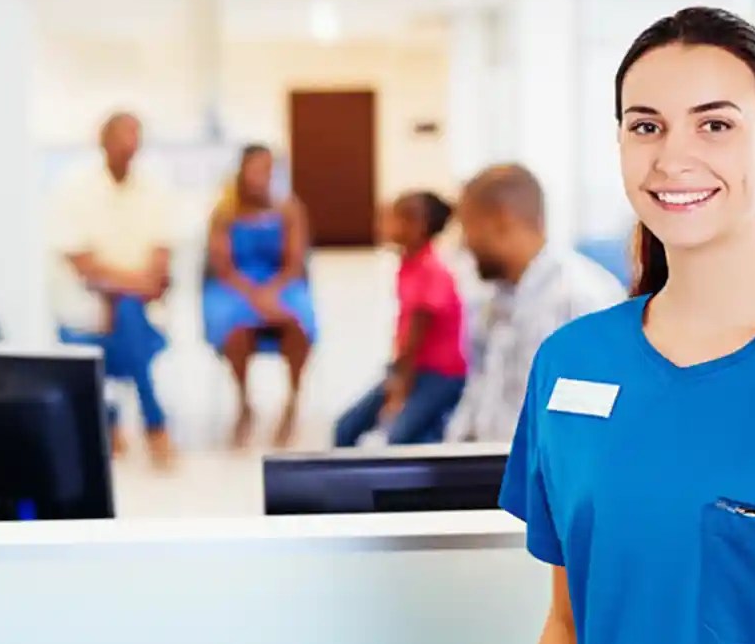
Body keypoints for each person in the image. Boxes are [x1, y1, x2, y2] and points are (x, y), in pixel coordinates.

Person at [503, 7, 755, 644]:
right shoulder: (571, 364)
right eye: (646, 126)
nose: (672, 157)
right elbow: (569, 626)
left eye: (715, 125)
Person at [445, 164, 624, 443]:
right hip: (488, 471)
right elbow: (479, 397)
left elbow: (590, 427)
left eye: (468, 228)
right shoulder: (494, 301)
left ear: (501, 220)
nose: (464, 245)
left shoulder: (580, 298)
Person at [50, 112, 175, 468]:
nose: (129, 146)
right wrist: (133, 286)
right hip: (87, 306)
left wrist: (128, 290)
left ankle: (113, 419)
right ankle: (155, 424)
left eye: (135, 136)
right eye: (122, 137)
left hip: (139, 309)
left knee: (128, 315)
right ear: (103, 141)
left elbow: (161, 257)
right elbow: (85, 267)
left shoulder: (155, 187)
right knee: (128, 318)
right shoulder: (73, 187)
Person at [204, 145, 317, 448]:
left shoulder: (289, 209)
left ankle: (291, 403)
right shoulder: (224, 212)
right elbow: (223, 267)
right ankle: (244, 404)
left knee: (296, 321)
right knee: (236, 326)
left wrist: (270, 293)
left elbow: (294, 263)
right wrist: (253, 295)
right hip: (236, 285)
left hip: (280, 281)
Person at [334, 192, 466, 447]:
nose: (385, 223)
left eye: (396, 217)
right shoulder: (408, 264)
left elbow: (415, 339)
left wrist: (398, 390)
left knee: (397, 440)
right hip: (410, 368)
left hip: (439, 375)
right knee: (344, 427)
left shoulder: (432, 271)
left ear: (419, 226)